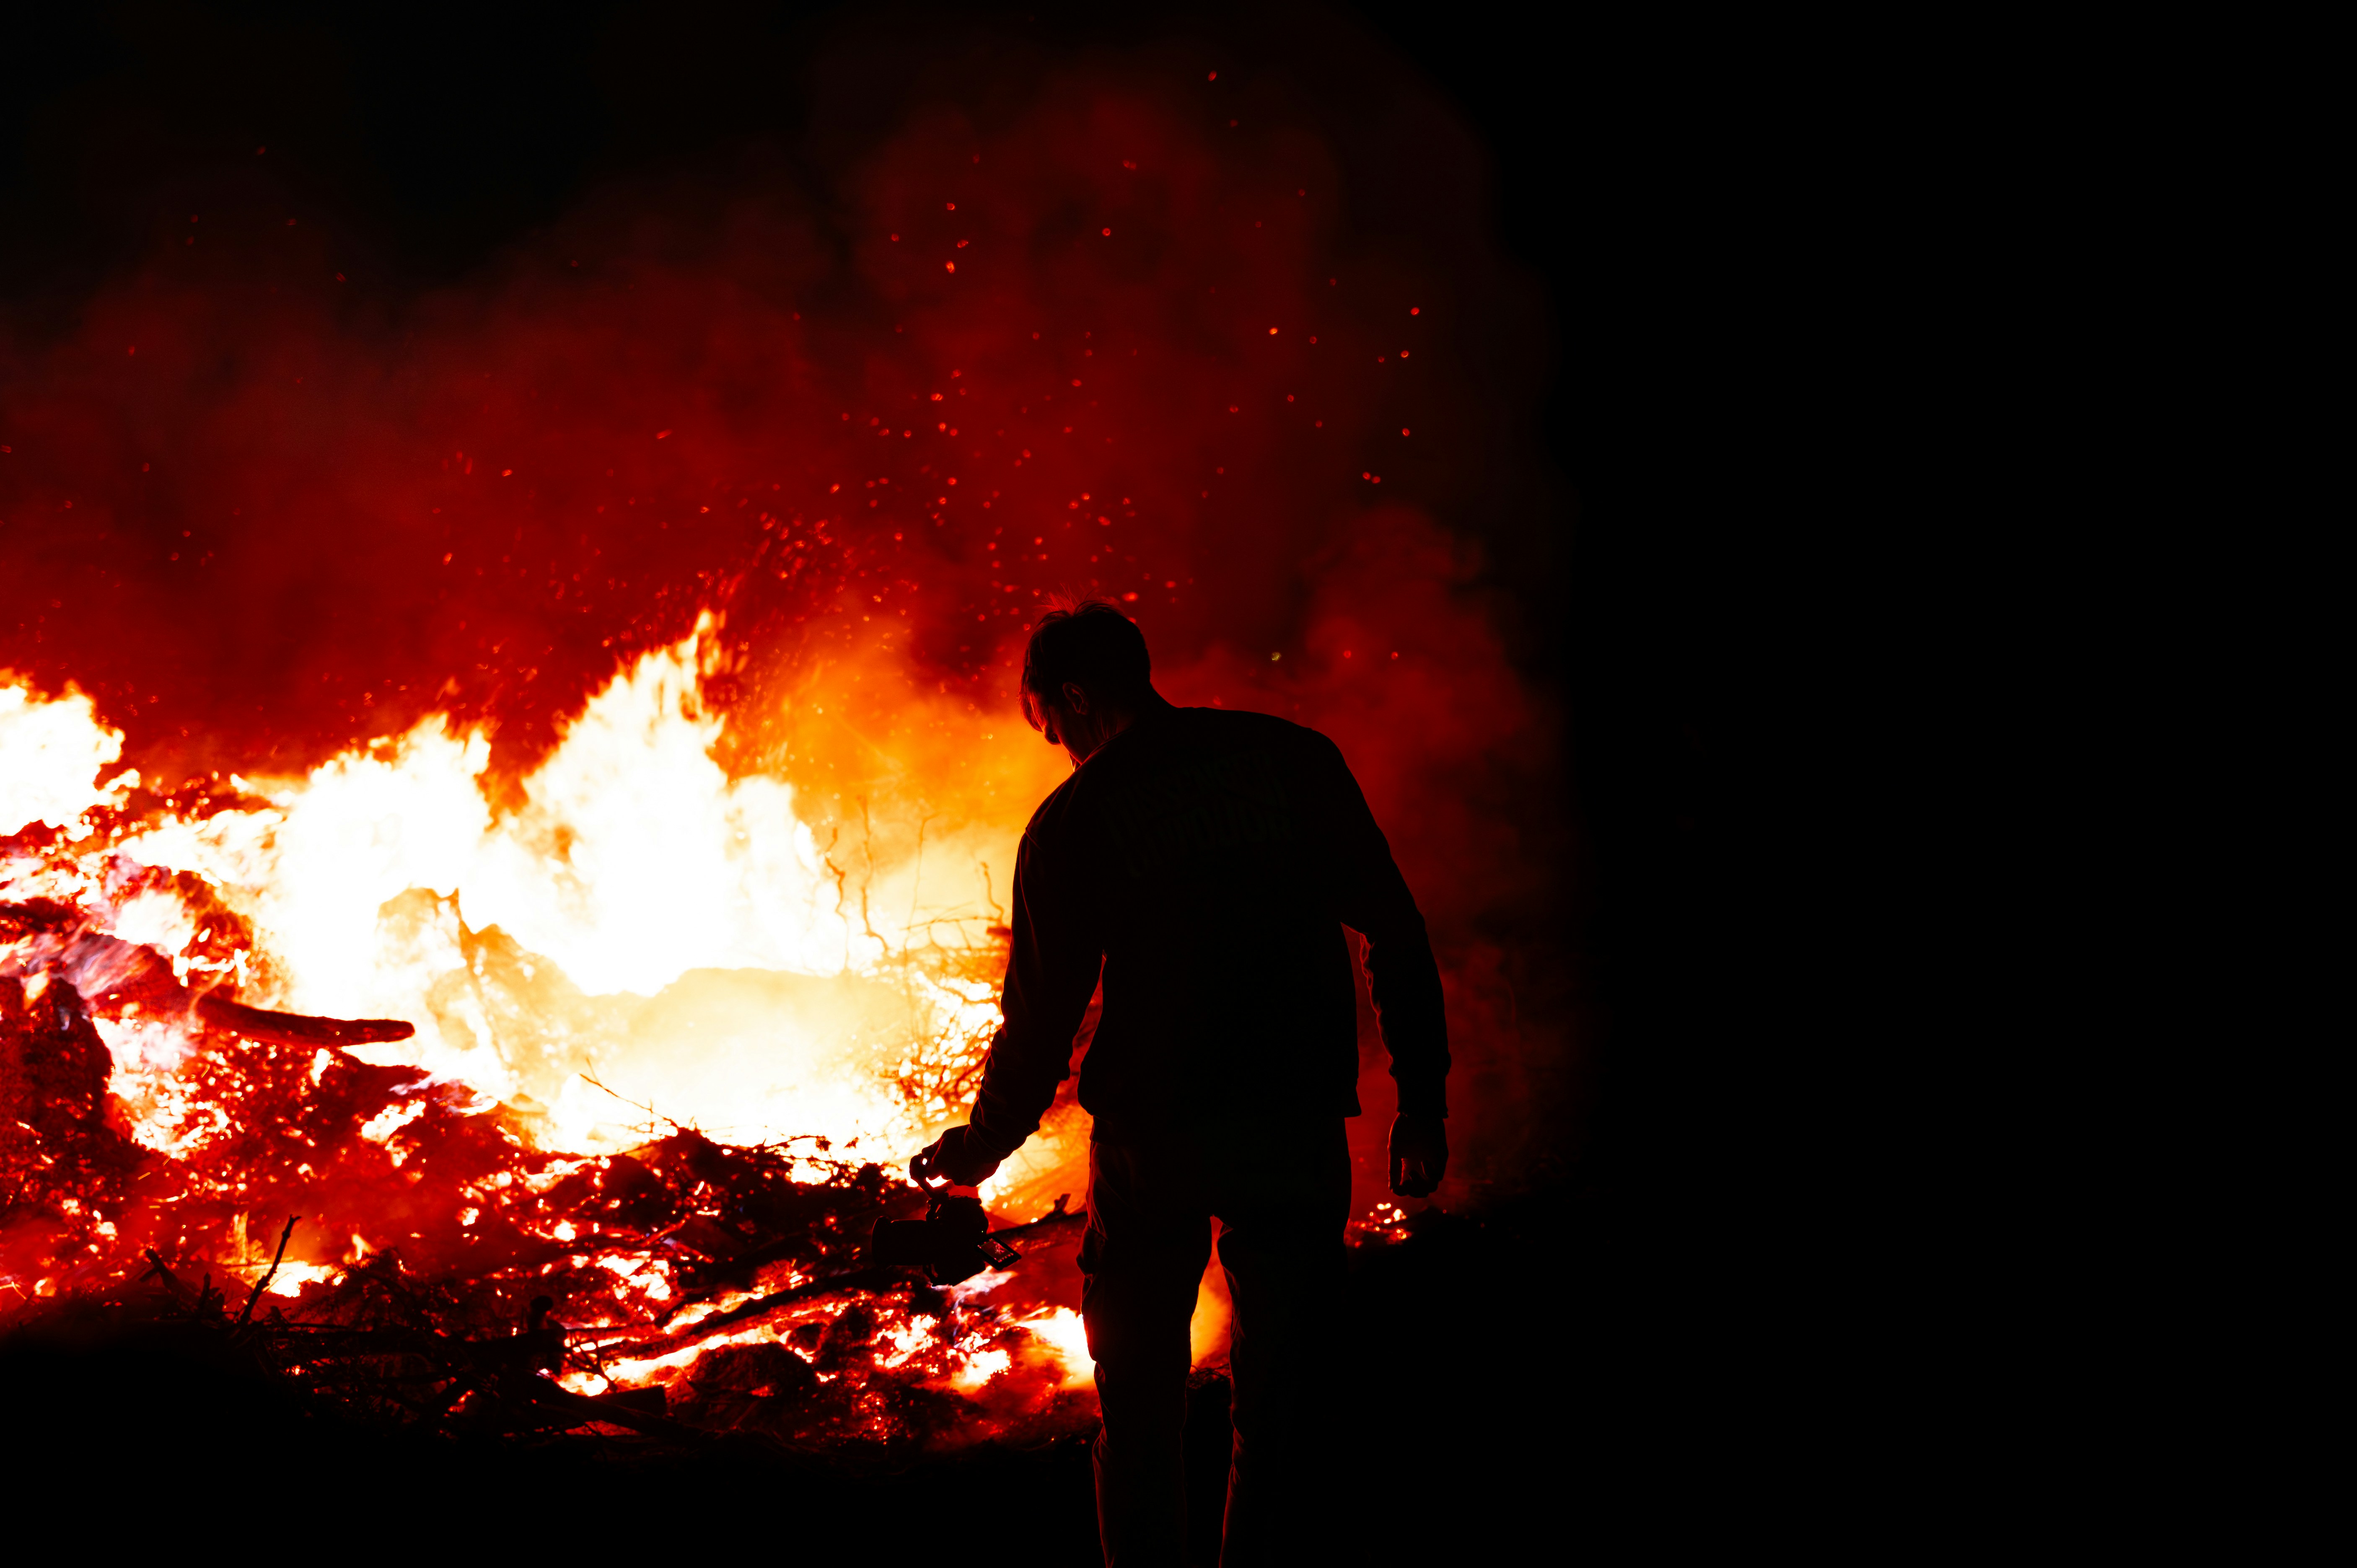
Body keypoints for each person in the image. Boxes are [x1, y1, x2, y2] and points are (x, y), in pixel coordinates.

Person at [912, 601, 1449, 1567]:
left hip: (1155, 1141)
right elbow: (1397, 929)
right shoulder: (1290, 760)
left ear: (1073, 696)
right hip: (1292, 1122)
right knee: (1283, 1404)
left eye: (1051, 726)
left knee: (1140, 1408)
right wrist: (1421, 1099)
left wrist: (974, 1151)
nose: (1058, 748)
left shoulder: (1078, 819)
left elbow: (1036, 1029)